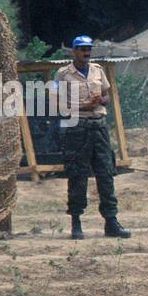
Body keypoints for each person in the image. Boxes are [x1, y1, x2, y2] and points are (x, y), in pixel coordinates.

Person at [55, 35, 130, 239]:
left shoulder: (98, 70)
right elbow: (58, 105)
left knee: (105, 173)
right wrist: (84, 106)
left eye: (88, 49)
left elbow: (107, 94)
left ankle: (111, 221)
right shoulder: (63, 74)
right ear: (74, 51)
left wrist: (101, 100)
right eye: (82, 49)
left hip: (99, 126)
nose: (86, 53)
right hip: (77, 126)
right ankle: (76, 222)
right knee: (78, 175)